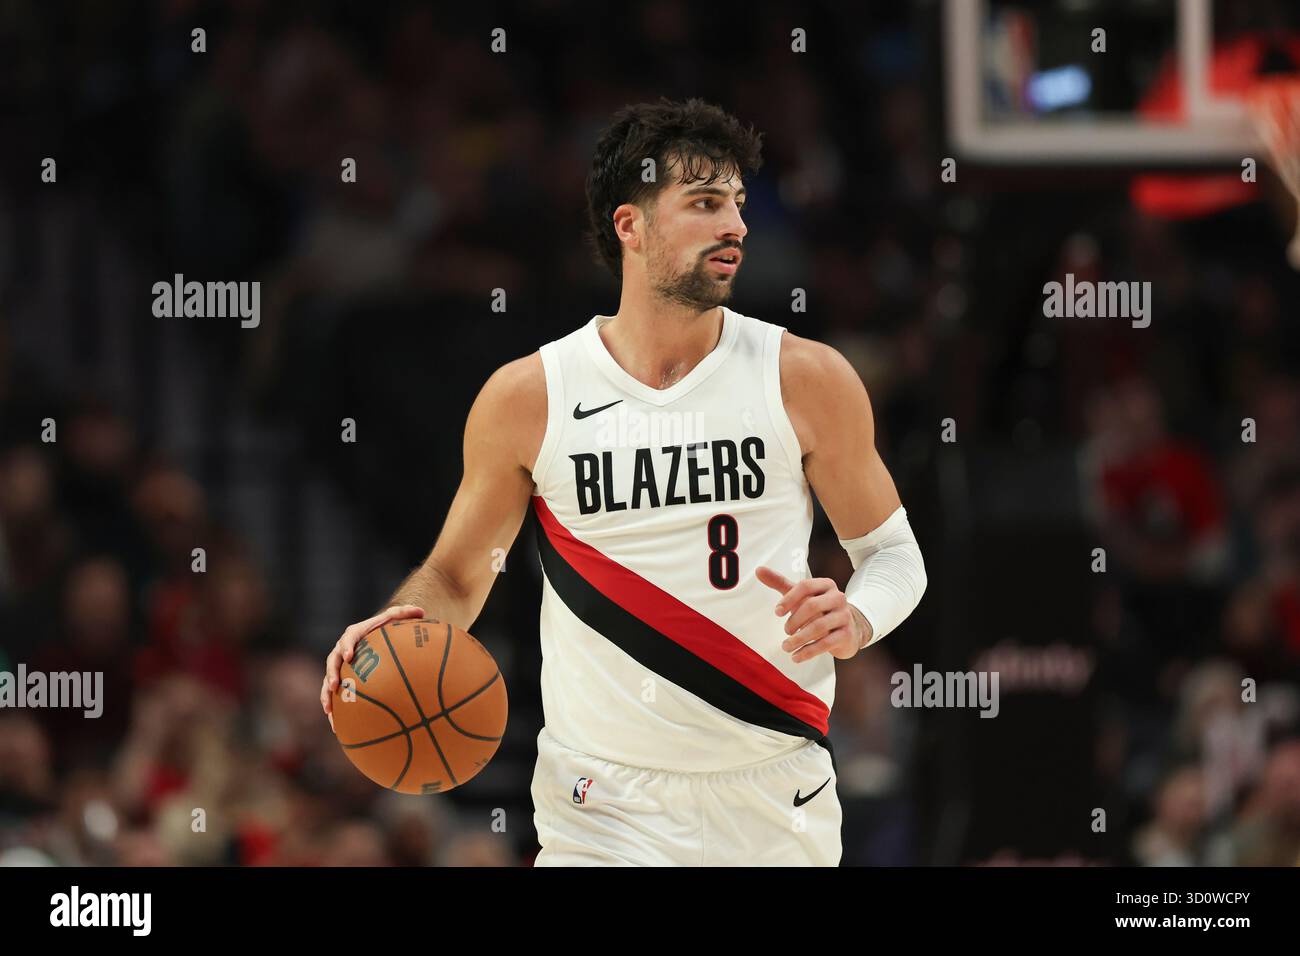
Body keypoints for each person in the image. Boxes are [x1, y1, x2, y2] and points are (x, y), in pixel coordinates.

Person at [320, 98, 927, 866]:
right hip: (600, 810)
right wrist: (399, 623)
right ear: (629, 226)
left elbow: (896, 557)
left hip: (771, 795)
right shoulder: (529, 396)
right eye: (705, 203)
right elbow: (456, 573)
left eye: (738, 204)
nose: (735, 225)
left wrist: (858, 616)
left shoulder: (805, 378)